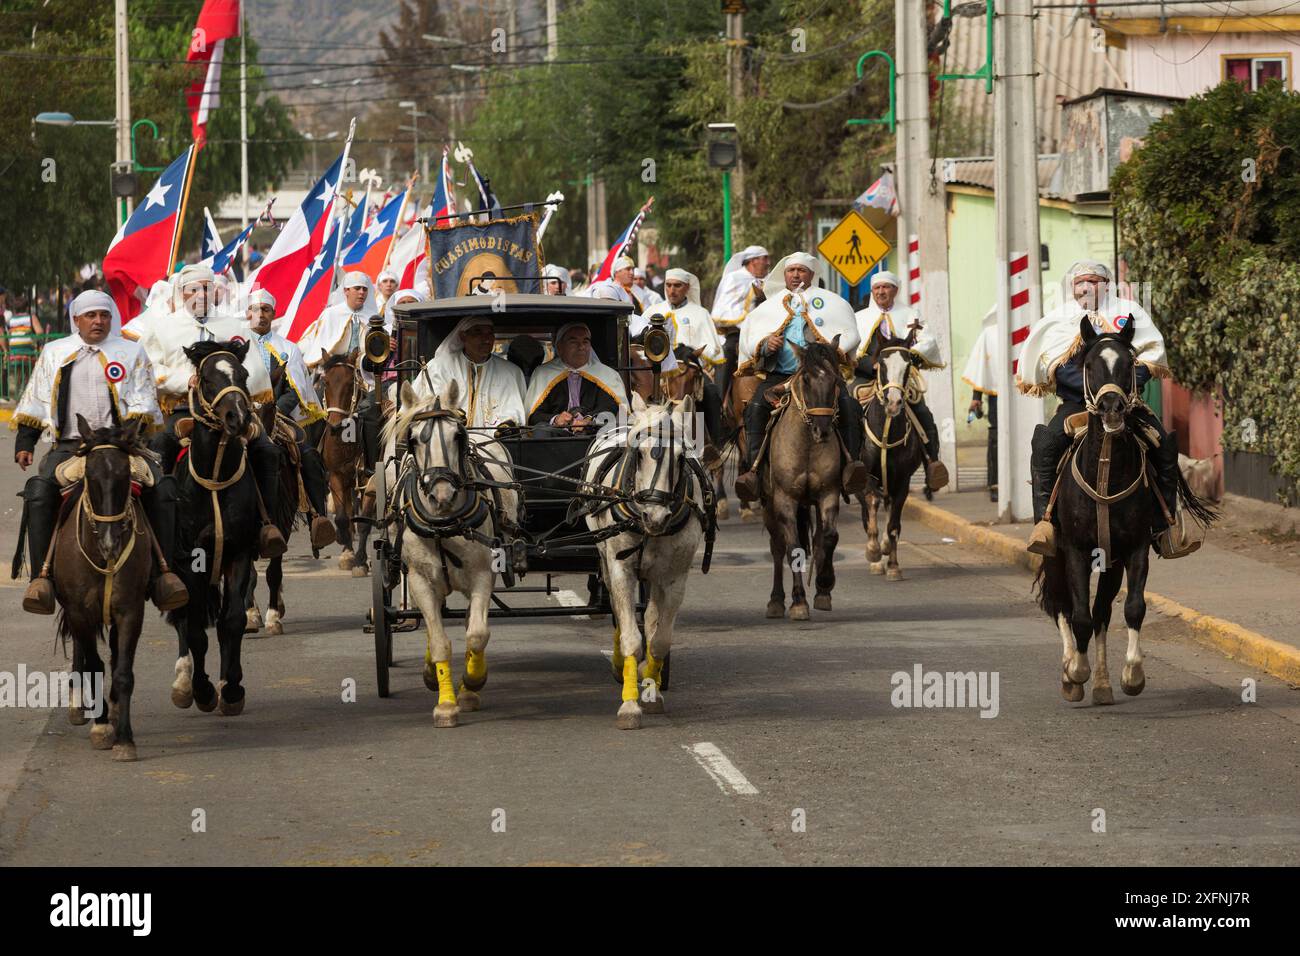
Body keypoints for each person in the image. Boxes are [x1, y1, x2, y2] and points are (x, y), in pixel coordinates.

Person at [12, 290, 186, 614]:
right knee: (38, 493)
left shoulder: (132, 352)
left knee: (163, 490)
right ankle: (41, 579)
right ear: (76, 320)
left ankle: (165, 574)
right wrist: (25, 443)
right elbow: (36, 399)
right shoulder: (54, 352)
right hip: (70, 448)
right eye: (91, 316)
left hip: (123, 445)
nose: (98, 321)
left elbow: (144, 399)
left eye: (104, 315)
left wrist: (126, 434)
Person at [1018, 260, 1181, 557]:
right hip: (1078, 405)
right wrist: (1094, 389)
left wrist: (1121, 386)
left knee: (1163, 443)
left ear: (1107, 285)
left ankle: (1164, 524)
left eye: (1094, 281)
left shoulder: (1130, 313)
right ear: (1072, 287)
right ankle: (1045, 523)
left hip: (1127, 403)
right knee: (1045, 443)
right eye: (1080, 282)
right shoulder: (1060, 320)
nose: (1086, 287)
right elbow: (1057, 366)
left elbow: (1148, 359)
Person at [135, 263, 286, 558]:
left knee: (267, 451)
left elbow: (253, 367)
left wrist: (239, 393)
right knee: (158, 449)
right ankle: (155, 529)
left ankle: (267, 525)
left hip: (229, 411)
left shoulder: (234, 326)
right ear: (182, 293)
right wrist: (185, 379)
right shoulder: (161, 327)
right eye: (194, 289)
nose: (200, 294)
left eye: (206, 288)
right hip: (182, 410)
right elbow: (149, 369)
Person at [732, 252, 868, 502]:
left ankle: (852, 466)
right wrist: (764, 344)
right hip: (780, 376)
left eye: (801, 270)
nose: (796, 275)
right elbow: (750, 338)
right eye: (791, 270)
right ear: (784, 275)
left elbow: (850, 333)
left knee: (849, 405)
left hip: (820, 376)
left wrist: (832, 348)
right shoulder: (769, 307)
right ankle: (753, 470)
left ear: (811, 275)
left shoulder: (832, 303)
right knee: (754, 408)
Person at [245, 289, 336, 549]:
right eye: (256, 310)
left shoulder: (288, 349)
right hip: (241, 416)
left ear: (273, 315)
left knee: (307, 455)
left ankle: (317, 517)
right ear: (247, 314)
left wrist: (273, 413)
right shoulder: (237, 346)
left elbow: (293, 390)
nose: (260, 315)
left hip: (278, 415)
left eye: (266, 310)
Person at [853, 271, 949, 491]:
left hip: (900, 378)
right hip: (866, 376)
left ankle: (932, 463)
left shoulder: (910, 314)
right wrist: (873, 365)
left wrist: (906, 358)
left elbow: (927, 341)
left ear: (895, 290)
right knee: (848, 408)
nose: (881, 292)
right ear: (872, 292)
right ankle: (849, 463)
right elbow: (852, 349)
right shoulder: (860, 318)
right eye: (877, 288)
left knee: (923, 412)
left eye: (886, 287)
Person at [297, 271, 382, 472]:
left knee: (372, 411)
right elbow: (318, 345)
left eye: (364, 289)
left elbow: (377, 351)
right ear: (346, 291)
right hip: (332, 372)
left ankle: (371, 463)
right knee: (314, 407)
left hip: (362, 374)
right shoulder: (330, 314)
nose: (361, 293)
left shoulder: (374, 318)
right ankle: (311, 461)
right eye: (357, 289)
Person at [638, 268, 725, 445]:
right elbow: (639, 345)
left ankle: (715, 445)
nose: (672, 290)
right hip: (657, 371)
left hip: (690, 369)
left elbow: (713, 349)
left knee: (712, 393)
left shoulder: (700, 313)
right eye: (668, 285)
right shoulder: (652, 311)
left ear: (687, 288)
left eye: (677, 286)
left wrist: (691, 352)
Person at [413, 315, 527, 429]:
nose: (486, 339)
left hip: (496, 443)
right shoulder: (439, 366)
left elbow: (515, 409)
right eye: (478, 333)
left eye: (490, 334)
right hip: (450, 442)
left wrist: (508, 424)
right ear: (463, 336)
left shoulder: (510, 372)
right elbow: (426, 404)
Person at [526, 322, 627, 431]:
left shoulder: (606, 374)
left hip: (594, 436)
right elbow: (534, 415)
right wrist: (555, 419)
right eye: (573, 342)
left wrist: (588, 420)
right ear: (560, 347)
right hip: (554, 437)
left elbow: (609, 406)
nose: (581, 347)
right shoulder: (543, 373)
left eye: (585, 341)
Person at [711, 245, 770, 403]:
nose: (768, 263)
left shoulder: (769, 280)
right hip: (737, 333)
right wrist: (745, 320)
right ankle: (719, 402)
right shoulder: (734, 278)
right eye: (765, 259)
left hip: (765, 333)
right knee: (727, 354)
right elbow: (722, 310)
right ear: (753, 261)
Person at [961, 305, 999, 501]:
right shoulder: (990, 334)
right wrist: (976, 397)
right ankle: (995, 483)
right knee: (996, 437)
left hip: (1025, 396)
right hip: (997, 396)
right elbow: (981, 367)